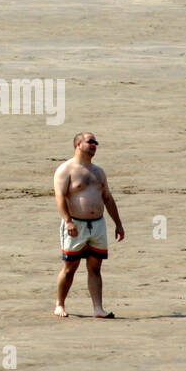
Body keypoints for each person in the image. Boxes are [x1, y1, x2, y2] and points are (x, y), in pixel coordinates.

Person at [53, 132, 124, 318]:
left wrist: (118, 223)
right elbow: (60, 197)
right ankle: (60, 304)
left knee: (95, 267)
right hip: (76, 224)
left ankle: (98, 309)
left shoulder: (99, 172)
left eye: (96, 143)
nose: (94, 145)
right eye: (90, 142)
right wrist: (68, 221)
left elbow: (107, 198)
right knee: (70, 267)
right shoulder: (65, 169)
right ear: (78, 144)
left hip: (98, 225)